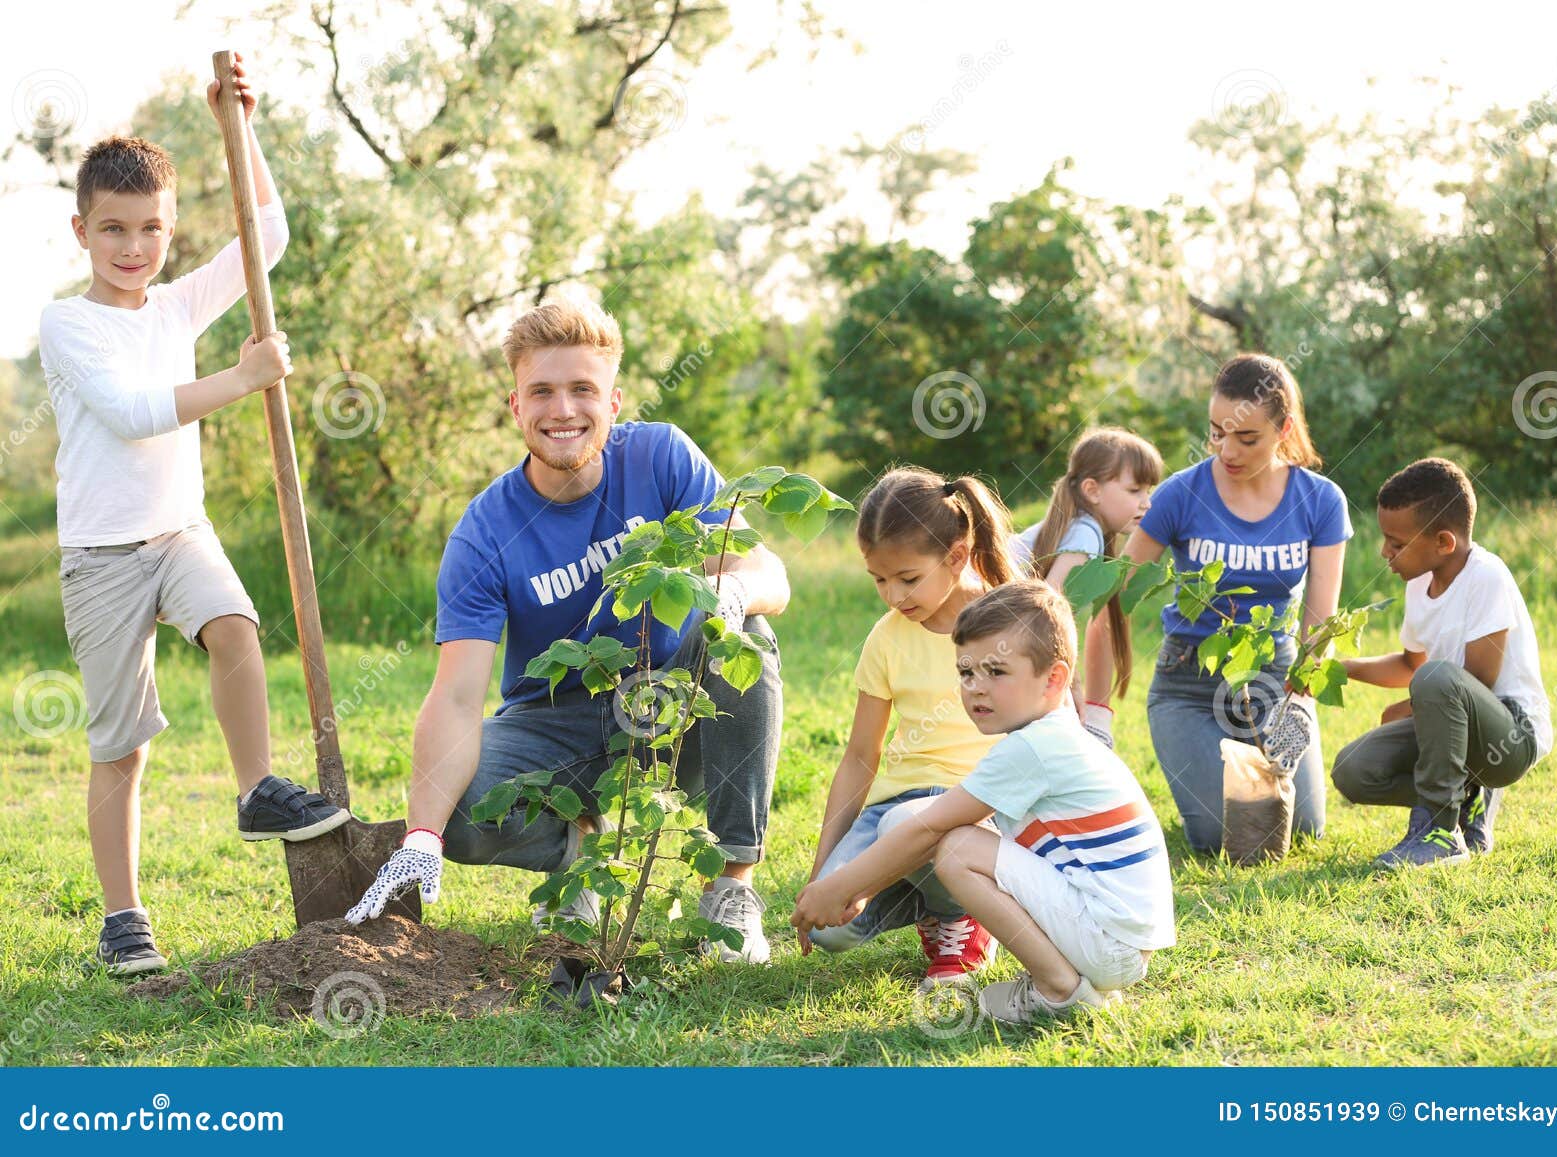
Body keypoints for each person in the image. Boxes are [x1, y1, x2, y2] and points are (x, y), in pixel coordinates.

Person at [345, 297, 789, 963]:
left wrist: (731, 589)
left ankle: (730, 887)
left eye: (583, 389)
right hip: (557, 727)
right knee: (463, 807)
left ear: (614, 401)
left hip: (675, 714)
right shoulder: (484, 530)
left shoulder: (662, 457)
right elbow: (457, 695)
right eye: (542, 392)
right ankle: (581, 855)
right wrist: (422, 835)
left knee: (745, 634)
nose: (563, 411)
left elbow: (767, 574)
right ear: (515, 407)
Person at [37, 55, 346, 976]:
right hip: (100, 553)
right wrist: (243, 377)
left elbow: (270, 233)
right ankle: (124, 915)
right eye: (115, 230)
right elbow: (134, 413)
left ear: (169, 227)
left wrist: (235, 126)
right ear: (83, 229)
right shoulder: (69, 324)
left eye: (152, 229)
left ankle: (256, 791)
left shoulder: (175, 305)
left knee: (237, 627)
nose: (135, 248)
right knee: (120, 744)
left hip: (180, 530)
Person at [792, 580, 1175, 1024]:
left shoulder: (1033, 748)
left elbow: (929, 827)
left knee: (957, 849)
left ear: (1054, 679)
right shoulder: (1051, 733)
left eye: (996, 672)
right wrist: (854, 885)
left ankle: (1059, 991)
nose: (975, 688)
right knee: (948, 840)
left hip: (1109, 940)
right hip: (1116, 938)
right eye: (966, 672)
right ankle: (1062, 980)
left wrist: (841, 887)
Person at [1090, 353, 1352, 854]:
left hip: (1273, 681)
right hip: (1188, 682)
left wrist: (1301, 702)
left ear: (1284, 429)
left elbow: (1321, 622)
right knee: (1222, 837)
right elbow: (1113, 599)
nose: (1227, 450)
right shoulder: (1180, 495)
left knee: (1301, 830)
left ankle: (1255, 762)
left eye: (1246, 438)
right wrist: (1095, 709)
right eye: (1216, 433)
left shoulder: (1321, 501)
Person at [800, 468, 1017, 990]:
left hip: (980, 808)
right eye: (879, 579)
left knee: (910, 826)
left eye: (908, 578)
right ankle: (938, 901)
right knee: (832, 928)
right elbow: (859, 757)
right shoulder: (887, 637)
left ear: (957, 555)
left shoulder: (1010, 621)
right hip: (895, 807)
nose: (893, 596)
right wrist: (822, 870)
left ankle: (964, 916)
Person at [1332, 458, 1553, 867]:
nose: (1385, 553)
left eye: (1396, 544)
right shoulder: (1419, 584)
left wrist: (1406, 709)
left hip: (1510, 735)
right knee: (1354, 769)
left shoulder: (1487, 577)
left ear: (1444, 542)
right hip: (1450, 718)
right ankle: (1465, 797)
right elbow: (1410, 664)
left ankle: (1439, 832)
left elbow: (1477, 680)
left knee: (1435, 679)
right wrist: (1343, 669)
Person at [1013, 426, 1163, 747]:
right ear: (1093, 490)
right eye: (1135, 490)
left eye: (1149, 491)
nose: (1147, 503)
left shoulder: (1082, 527)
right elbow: (1048, 611)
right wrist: (1072, 685)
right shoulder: (1086, 535)